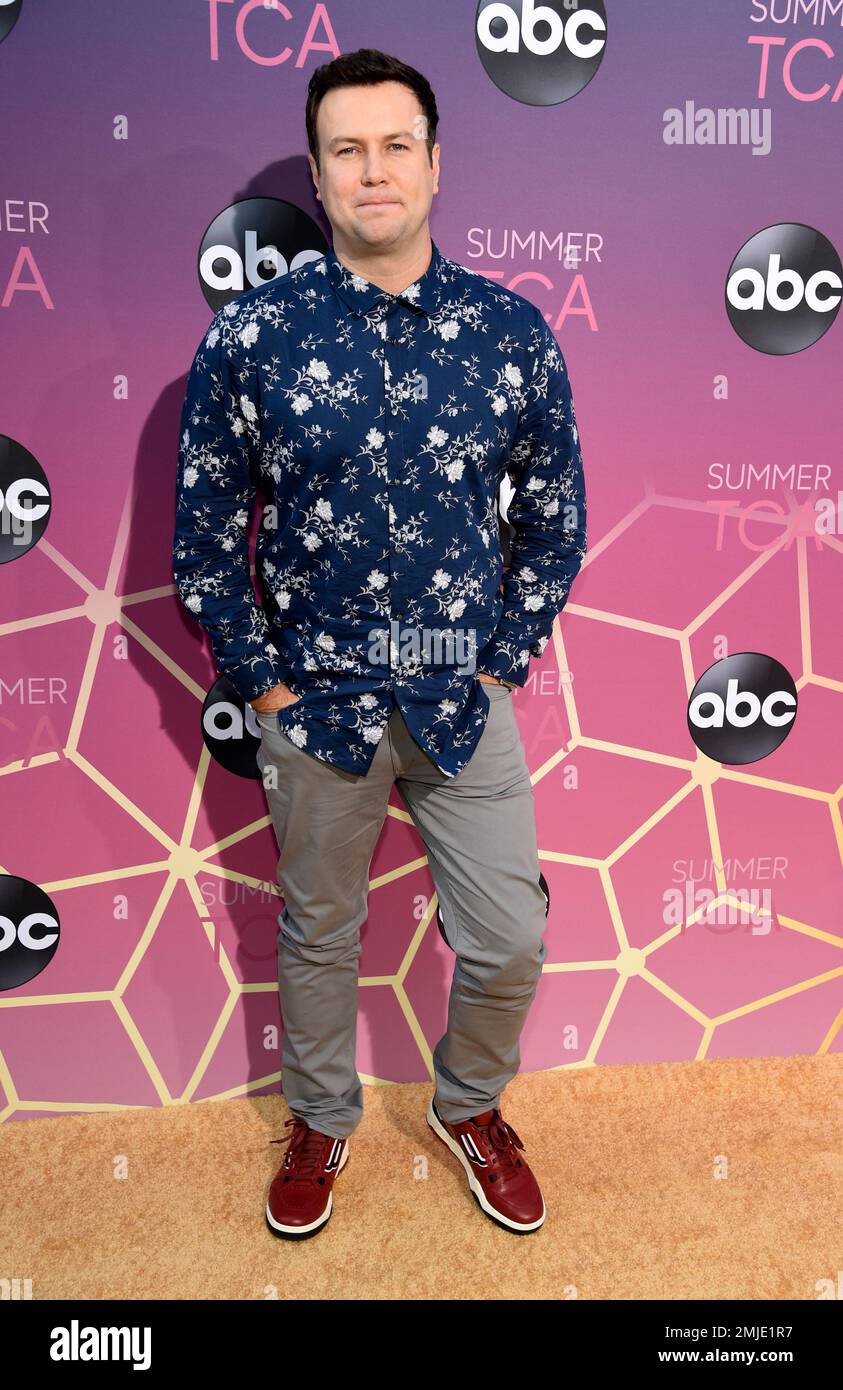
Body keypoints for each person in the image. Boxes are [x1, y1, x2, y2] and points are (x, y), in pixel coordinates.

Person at [173, 48, 587, 1241]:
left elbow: (557, 515)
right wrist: (265, 683)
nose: (373, 170)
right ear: (316, 172)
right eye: (346, 149)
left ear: (435, 161)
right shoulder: (250, 338)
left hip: (466, 696)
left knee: (510, 935)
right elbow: (205, 529)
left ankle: (469, 1108)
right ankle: (319, 1114)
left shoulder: (510, 332)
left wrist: (506, 655)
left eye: (395, 144)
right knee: (319, 934)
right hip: (318, 709)